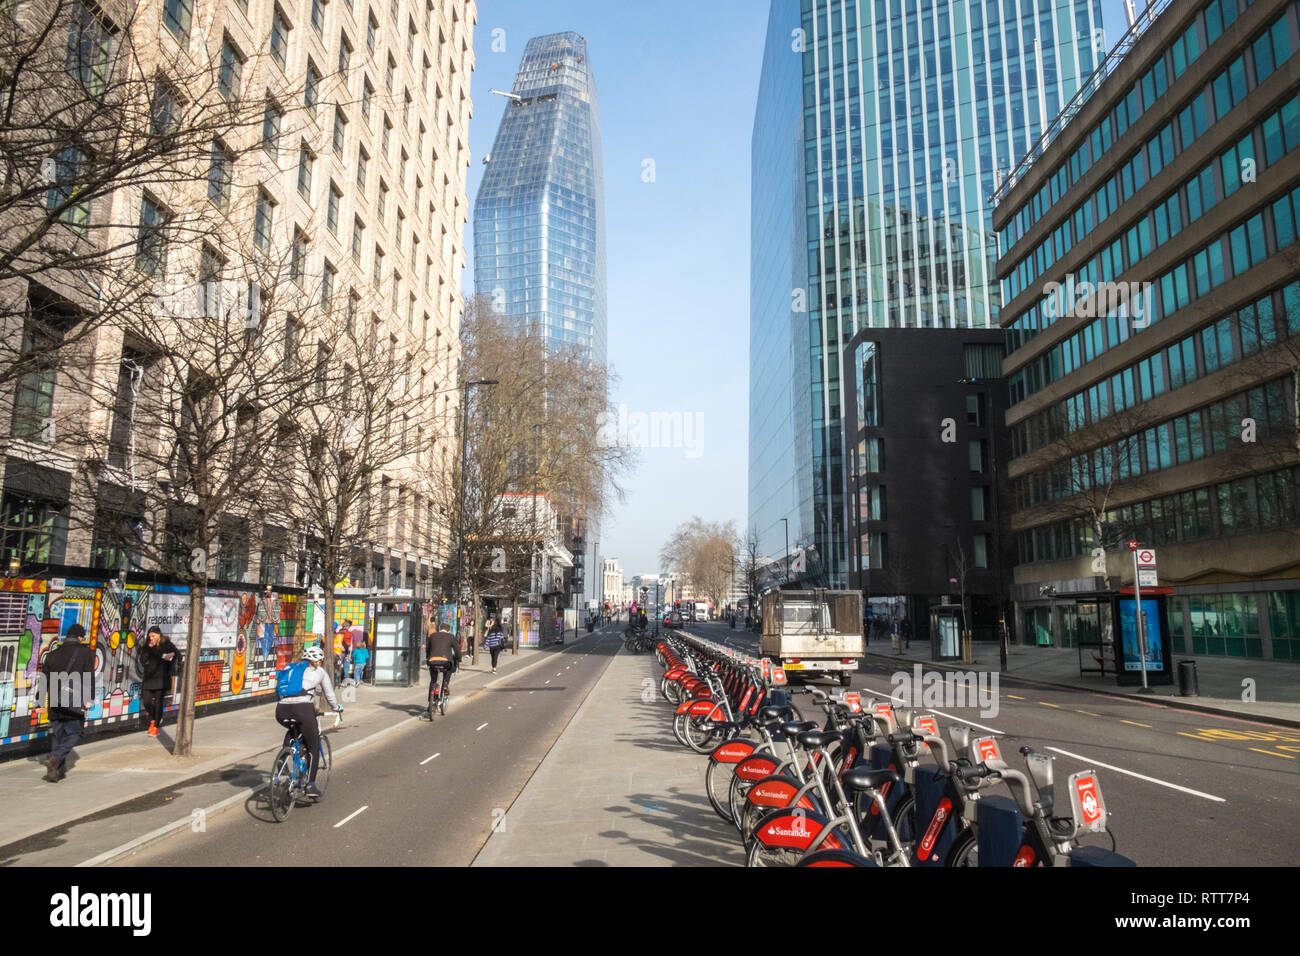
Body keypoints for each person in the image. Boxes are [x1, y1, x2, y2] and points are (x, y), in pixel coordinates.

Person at [275, 646, 341, 800]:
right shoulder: (319, 671)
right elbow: (329, 694)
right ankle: (310, 784)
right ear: (318, 661)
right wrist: (336, 708)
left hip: (281, 710)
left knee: (293, 727)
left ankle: (287, 751)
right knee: (313, 744)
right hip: (303, 709)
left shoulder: (290, 667)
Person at [39, 624, 97, 783]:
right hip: (74, 700)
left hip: (54, 701)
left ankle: (57, 772)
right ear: (79, 637)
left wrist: (40, 702)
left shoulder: (53, 654)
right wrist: (89, 699)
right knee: (74, 733)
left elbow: (44, 679)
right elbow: (88, 677)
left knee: (59, 736)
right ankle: (55, 757)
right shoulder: (86, 653)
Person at [138, 625, 180, 737]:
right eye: (149, 636)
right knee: (146, 701)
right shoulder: (147, 646)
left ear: (159, 635)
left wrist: (172, 655)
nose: (151, 638)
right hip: (149, 677)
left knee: (158, 702)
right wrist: (149, 649)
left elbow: (177, 654)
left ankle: (155, 725)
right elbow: (142, 660)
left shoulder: (166, 644)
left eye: (153, 636)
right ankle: (153, 718)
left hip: (162, 677)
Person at [425, 626, 460, 708]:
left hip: (432, 661)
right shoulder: (451, 636)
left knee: (433, 680)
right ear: (448, 630)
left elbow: (428, 648)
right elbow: (457, 650)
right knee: (449, 670)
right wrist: (459, 659)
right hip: (445, 662)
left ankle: (431, 701)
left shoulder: (433, 635)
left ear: (439, 629)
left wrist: (428, 657)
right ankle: (445, 684)